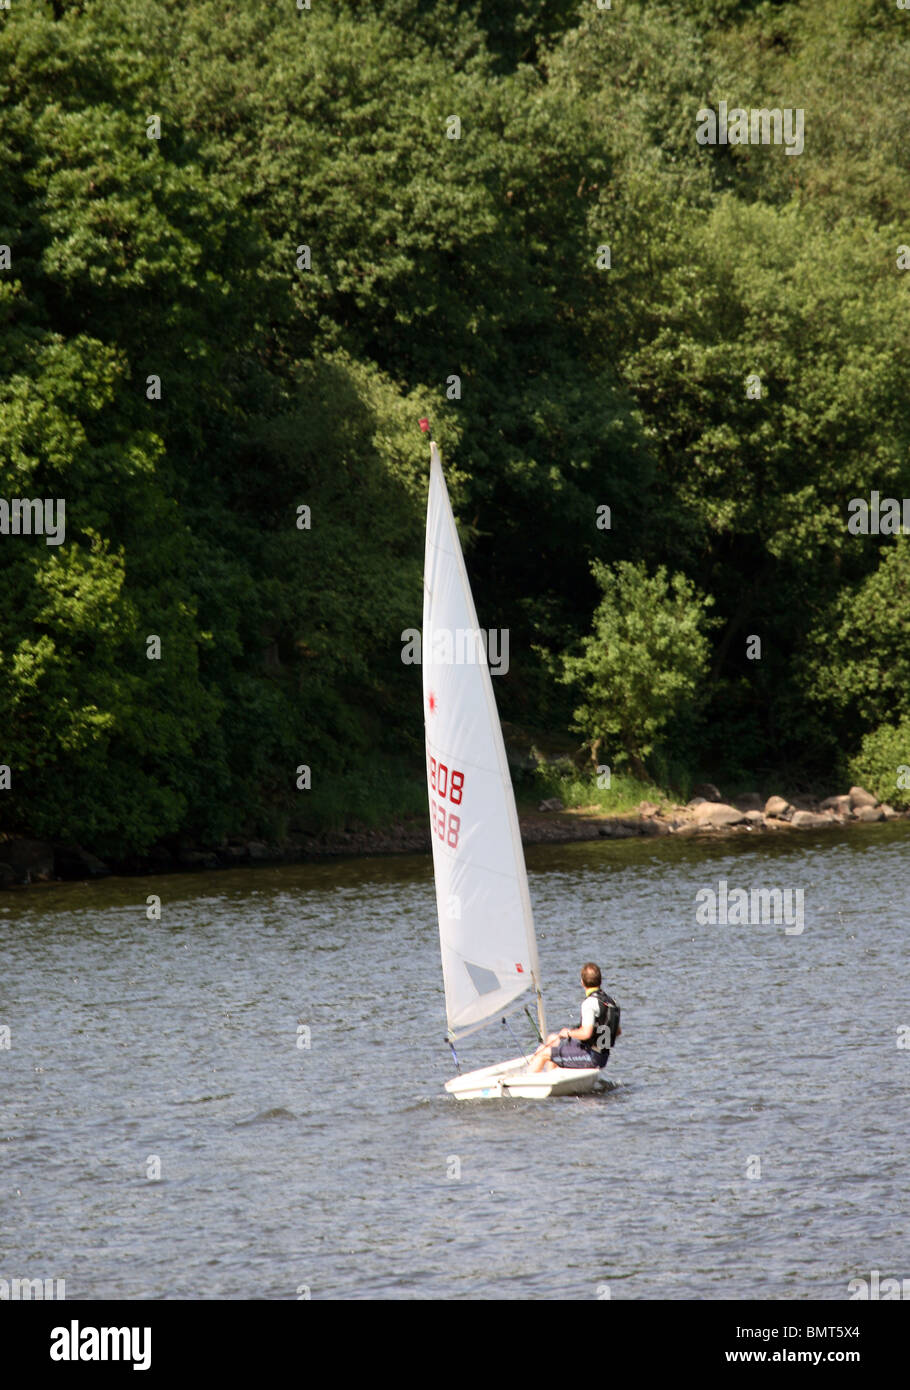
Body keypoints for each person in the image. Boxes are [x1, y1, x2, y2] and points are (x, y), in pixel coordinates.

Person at [527, 962, 620, 1072]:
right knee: (552, 1039)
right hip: (601, 1055)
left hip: (592, 1057)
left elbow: (586, 1033)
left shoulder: (589, 1003)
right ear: (600, 981)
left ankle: (524, 1085)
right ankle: (553, 1076)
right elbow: (617, 1031)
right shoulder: (610, 1002)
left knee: (543, 1053)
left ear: (582, 982)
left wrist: (568, 1033)